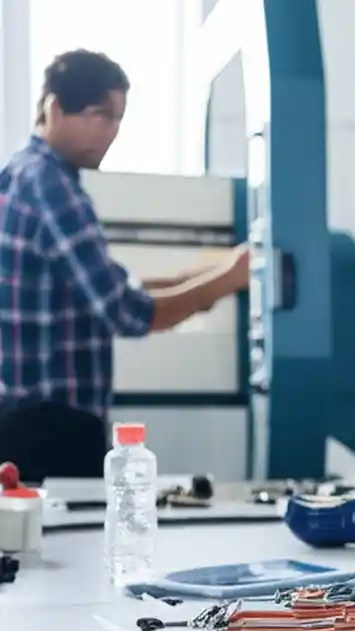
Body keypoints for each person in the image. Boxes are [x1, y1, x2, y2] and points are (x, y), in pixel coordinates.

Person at [0, 50, 249, 484]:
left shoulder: (21, 174)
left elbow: (96, 291)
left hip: (27, 423)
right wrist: (227, 281)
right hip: (51, 430)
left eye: (118, 118)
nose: (112, 131)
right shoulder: (52, 188)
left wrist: (197, 280)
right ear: (54, 108)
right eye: (101, 115)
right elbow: (126, 311)